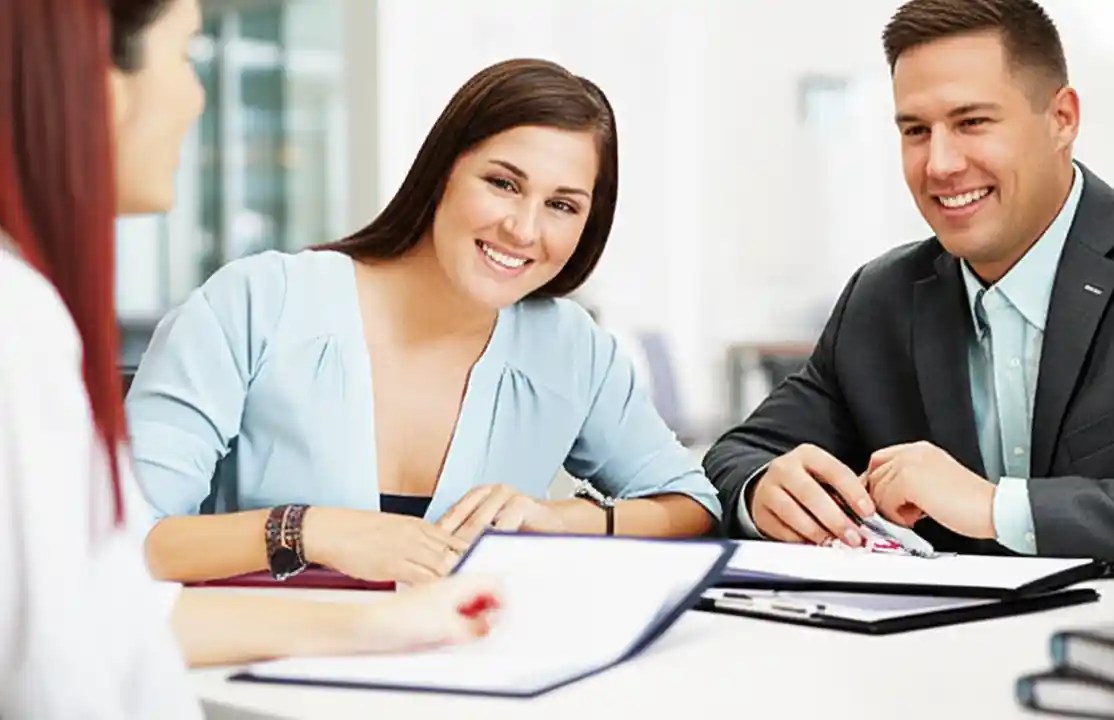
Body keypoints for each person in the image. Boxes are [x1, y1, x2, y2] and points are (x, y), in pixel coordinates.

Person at [0, 1, 499, 716]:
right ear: (104, 89)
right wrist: (306, 532)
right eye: (184, 57)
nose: (198, 96)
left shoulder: (26, 313)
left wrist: (393, 620)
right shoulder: (19, 329)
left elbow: (107, 609)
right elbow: (58, 673)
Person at [703, 0, 1114, 579]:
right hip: (925, 656)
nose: (940, 164)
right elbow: (730, 461)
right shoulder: (879, 300)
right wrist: (762, 491)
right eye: (915, 131)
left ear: (1062, 119)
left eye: (972, 122)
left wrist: (998, 509)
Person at [126, 57, 720, 586]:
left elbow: (692, 504)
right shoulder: (257, 301)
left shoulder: (572, 348)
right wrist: (307, 530)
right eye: (503, 184)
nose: (524, 230)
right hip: (251, 680)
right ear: (442, 174)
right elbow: (128, 540)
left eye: (562, 205)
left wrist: (560, 519)